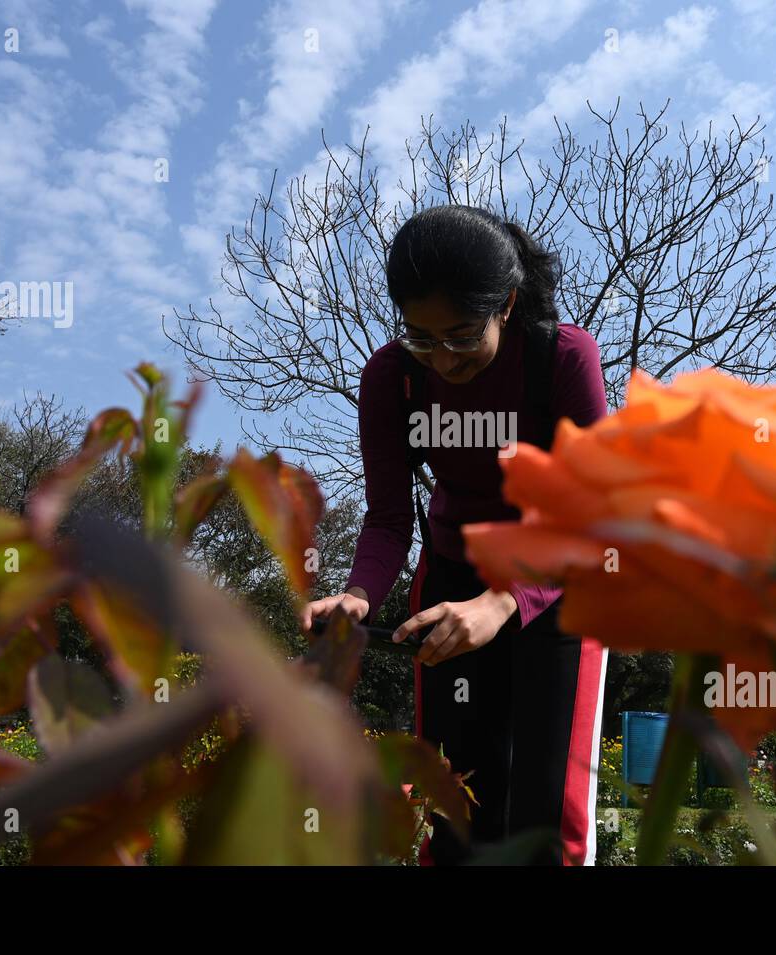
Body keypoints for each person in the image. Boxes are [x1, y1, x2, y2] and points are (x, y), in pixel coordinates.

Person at [299, 205, 610, 866]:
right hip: (453, 578)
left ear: (507, 305)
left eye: (464, 335)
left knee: (544, 820)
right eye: (422, 336)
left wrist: (503, 603)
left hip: (557, 588)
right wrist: (356, 596)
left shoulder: (563, 358)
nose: (445, 358)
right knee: (459, 807)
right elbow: (388, 520)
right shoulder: (392, 378)